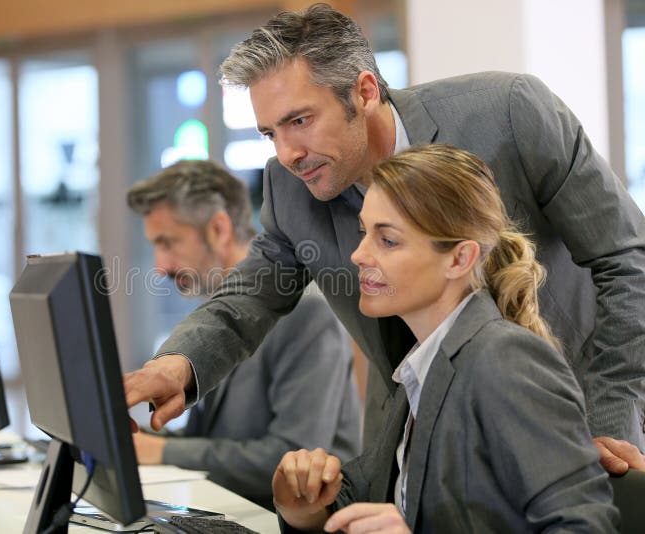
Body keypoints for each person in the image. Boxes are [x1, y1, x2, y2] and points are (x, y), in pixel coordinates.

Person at [124, 3, 645, 474]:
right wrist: (179, 363)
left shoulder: (511, 112)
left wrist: (611, 414)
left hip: (571, 415)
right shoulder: (290, 188)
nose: (286, 154)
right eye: (269, 133)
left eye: (299, 121)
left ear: (365, 92)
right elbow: (249, 297)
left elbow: (627, 259)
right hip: (416, 442)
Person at [273, 144, 618, 533]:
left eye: (387, 240)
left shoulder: (506, 359)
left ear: (459, 259)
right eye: (363, 233)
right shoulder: (427, 360)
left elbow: (583, 527)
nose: (358, 255)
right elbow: (383, 493)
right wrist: (305, 505)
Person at [126, 159, 361, 509]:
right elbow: (213, 440)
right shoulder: (211, 314)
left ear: (218, 229)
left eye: (168, 242)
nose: (161, 265)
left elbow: (290, 457)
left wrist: (159, 450)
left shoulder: (306, 311)